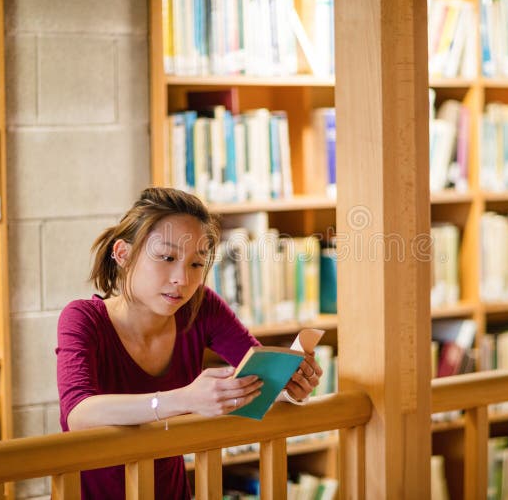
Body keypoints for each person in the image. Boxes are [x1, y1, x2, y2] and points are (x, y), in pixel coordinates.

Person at [56, 187, 324, 499]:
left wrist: (289, 385)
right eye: (167, 258)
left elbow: (259, 373)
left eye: (196, 264)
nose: (182, 279)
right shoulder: (83, 318)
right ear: (123, 254)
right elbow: (78, 413)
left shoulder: (201, 306)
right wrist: (184, 400)